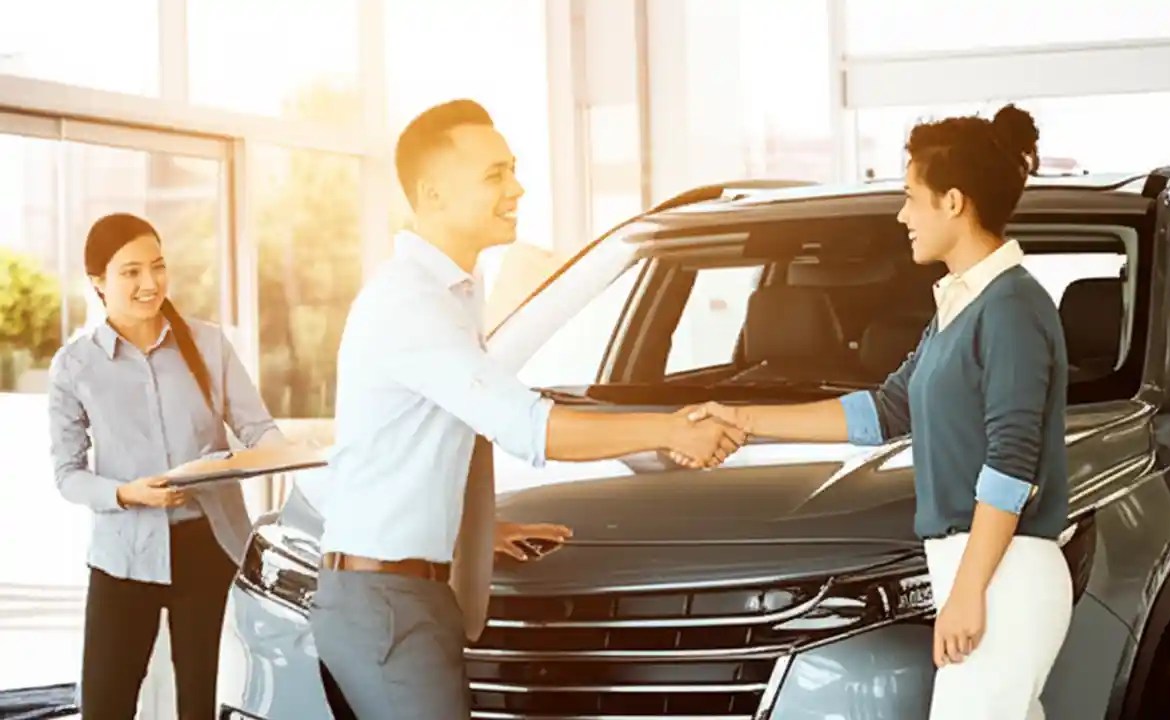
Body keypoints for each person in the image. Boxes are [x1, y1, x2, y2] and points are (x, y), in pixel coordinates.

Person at [310, 99, 744, 719]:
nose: (517, 188)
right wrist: (670, 428)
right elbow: (524, 424)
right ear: (432, 194)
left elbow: (418, 442)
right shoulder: (410, 303)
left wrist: (480, 531)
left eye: (511, 170)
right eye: (495, 175)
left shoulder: (456, 293)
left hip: (404, 590)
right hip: (387, 603)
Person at [681, 105, 1072, 720]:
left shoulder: (1012, 308)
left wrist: (969, 592)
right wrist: (743, 418)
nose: (902, 215)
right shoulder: (958, 307)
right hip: (980, 567)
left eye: (910, 197)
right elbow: (885, 412)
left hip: (1005, 572)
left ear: (953, 202)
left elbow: (1012, 461)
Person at [47, 213, 310, 719]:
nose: (150, 284)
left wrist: (292, 455)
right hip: (124, 556)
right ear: (97, 282)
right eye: (130, 272)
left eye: (158, 267)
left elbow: (257, 429)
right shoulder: (76, 365)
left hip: (210, 548)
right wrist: (127, 494)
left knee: (203, 704)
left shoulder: (209, 344)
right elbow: (68, 473)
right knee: (105, 705)